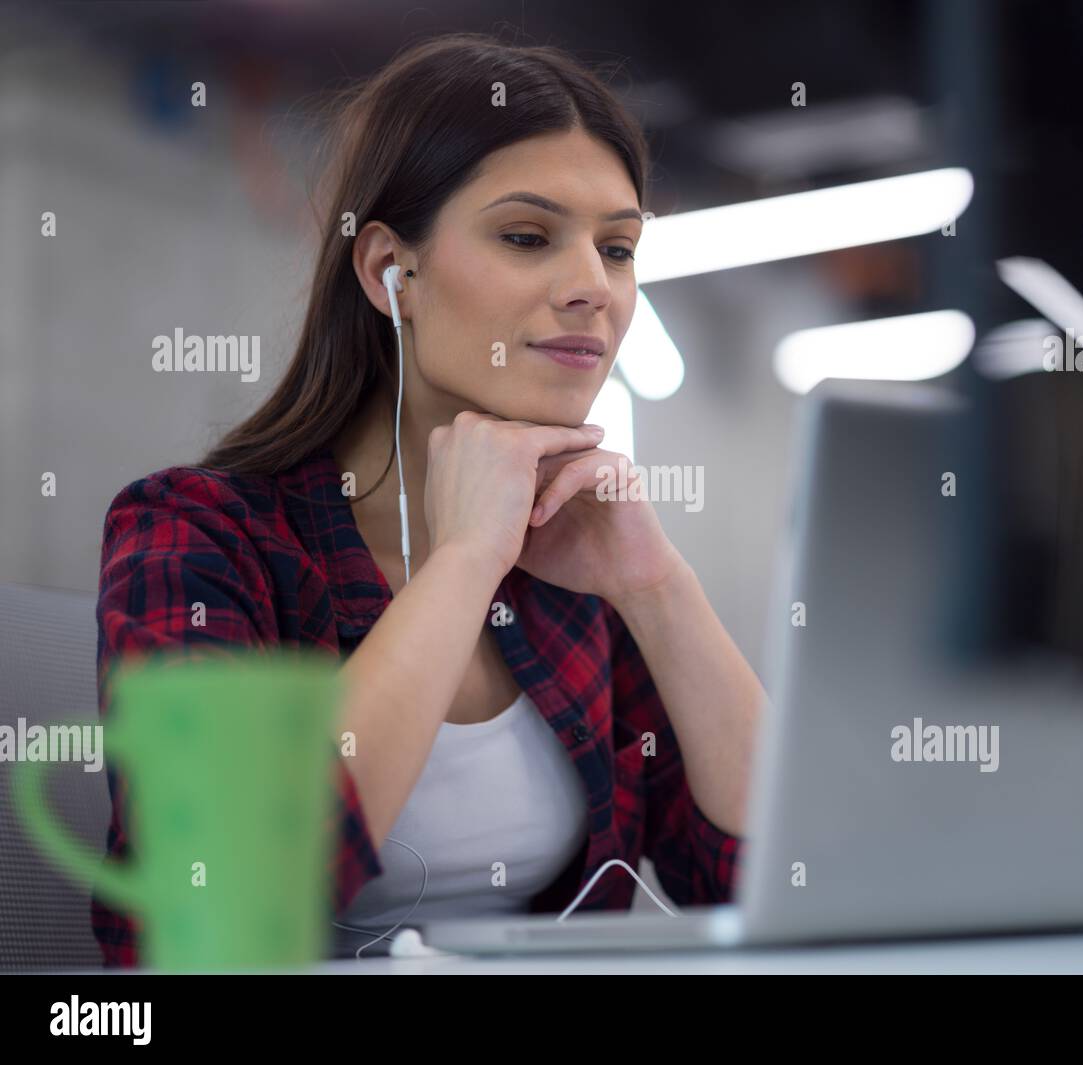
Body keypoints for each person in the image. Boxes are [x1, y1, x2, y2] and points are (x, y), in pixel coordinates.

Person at [93, 32, 764, 965]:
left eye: (617, 248)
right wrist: (460, 565)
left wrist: (658, 588)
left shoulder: (577, 567)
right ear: (387, 272)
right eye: (527, 237)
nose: (592, 289)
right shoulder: (196, 533)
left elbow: (765, 878)